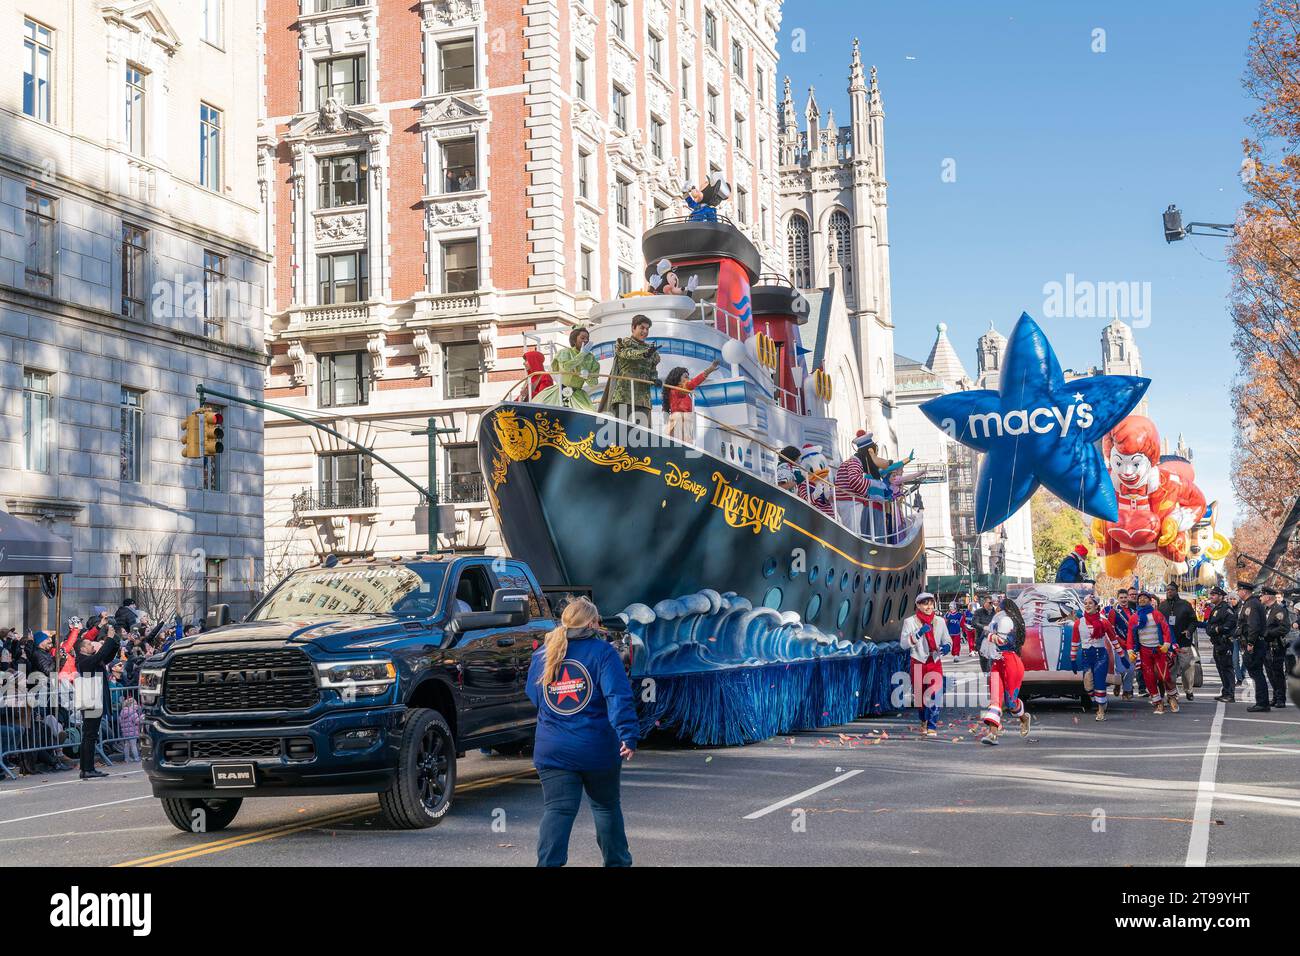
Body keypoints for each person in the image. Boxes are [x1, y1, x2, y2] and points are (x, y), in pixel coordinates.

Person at [526, 597, 637, 867]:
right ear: (591, 623)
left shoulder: (543, 653)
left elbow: (534, 695)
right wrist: (627, 734)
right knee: (605, 807)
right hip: (596, 747)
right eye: (597, 621)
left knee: (557, 811)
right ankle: (617, 863)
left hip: (552, 748)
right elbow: (618, 696)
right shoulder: (603, 652)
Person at [980, 598, 1033, 743]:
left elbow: (1002, 641)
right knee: (995, 699)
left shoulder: (1006, 621)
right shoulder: (998, 620)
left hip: (1011, 663)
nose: (996, 608)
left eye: (998, 606)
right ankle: (992, 734)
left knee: (1011, 702)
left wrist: (987, 634)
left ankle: (1024, 718)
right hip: (997, 662)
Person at [75, 626, 121, 779]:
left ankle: (87, 768)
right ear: (82, 649)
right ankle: (87, 769)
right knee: (89, 735)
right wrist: (108, 638)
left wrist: (114, 640)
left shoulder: (93, 659)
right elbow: (100, 654)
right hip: (90, 700)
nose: (92, 645)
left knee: (90, 735)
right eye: (89, 644)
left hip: (94, 699)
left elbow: (107, 656)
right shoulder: (83, 661)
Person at [899, 592, 947, 738]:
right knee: (920, 697)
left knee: (934, 694)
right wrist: (918, 634)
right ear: (918, 605)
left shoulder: (940, 621)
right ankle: (923, 720)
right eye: (925, 603)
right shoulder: (910, 622)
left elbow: (947, 640)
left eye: (931, 603)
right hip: (918, 661)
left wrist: (947, 647)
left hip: (935, 661)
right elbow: (903, 644)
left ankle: (932, 725)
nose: (929, 606)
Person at [1126, 590, 1177, 715]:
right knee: (1149, 678)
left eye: (1145, 598)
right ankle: (1158, 703)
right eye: (1140, 598)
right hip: (1144, 651)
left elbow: (1166, 630)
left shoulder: (1157, 614)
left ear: (1150, 600)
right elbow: (1130, 636)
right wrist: (1130, 650)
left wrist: (1166, 644)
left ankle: (1172, 697)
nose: (1142, 600)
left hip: (1159, 650)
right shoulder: (1134, 618)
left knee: (1163, 676)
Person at [604, 315, 660, 426]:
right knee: (623, 434)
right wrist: (644, 354)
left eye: (647, 329)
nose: (645, 331)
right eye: (642, 328)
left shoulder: (651, 350)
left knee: (641, 437)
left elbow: (652, 370)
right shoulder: (624, 344)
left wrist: (655, 379)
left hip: (644, 400)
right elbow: (628, 354)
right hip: (625, 397)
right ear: (633, 328)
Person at [1071, 595, 1120, 720]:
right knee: (1088, 686)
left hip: (1101, 657)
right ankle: (1101, 701)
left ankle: (1100, 711)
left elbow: (1113, 639)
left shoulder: (1104, 621)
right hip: (1086, 657)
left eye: (1090, 603)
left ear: (1096, 606)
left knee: (1099, 683)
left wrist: (1122, 655)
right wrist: (1072, 659)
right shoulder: (1078, 623)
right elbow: (1075, 642)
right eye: (1085, 603)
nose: (1087, 605)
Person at [539, 326, 600, 411]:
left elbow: (594, 383)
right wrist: (582, 354)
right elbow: (566, 367)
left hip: (578, 395)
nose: (586, 340)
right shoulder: (565, 352)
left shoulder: (591, 358)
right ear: (574, 340)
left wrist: (587, 376)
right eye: (582, 338)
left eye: (587, 338)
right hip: (559, 392)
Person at [661, 360, 720, 444]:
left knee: (681, 442)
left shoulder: (680, 392)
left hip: (684, 420)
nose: (688, 379)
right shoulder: (677, 390)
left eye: (688, 377)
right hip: (680, 419)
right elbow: (693, 383)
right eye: (685, 377)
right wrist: (709, 370)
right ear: (677, 379)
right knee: (683, 443)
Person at [1160, 583, 1199, 702]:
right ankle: (1172, 694)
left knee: (1187, 665)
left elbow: (1194, 621)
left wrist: (1189, 630)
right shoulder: (1162, 606)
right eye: (1167, 590)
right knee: (1171, 669)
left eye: (1171, 590)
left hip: (1183, 642)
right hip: (1169, 643)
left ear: (1177, 591)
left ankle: (1188, 690)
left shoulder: (1185, 605)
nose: (1169, 592)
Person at [833, 430, 874, 535]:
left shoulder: (849, 462)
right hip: (850, 503)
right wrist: (868, 489)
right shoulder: (855, 463)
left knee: (853, 532)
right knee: (853, 534)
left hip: (846, 501)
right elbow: (854, 481)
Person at [1236, 582, 1270, 712]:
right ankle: (1262, 702)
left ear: (1244, 591)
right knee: (1256, 672)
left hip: (1255, 644)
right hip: (1255, 643)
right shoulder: (1252, 603)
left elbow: (1253, 626)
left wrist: (1250, 643)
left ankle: (1262, 703)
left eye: (1239, 590)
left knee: (1256, 673)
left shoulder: (1252, 605)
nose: (1238, 593)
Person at [1205, 585, 1237, 702]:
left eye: (1214, 595)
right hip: (1217, 643)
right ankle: (1226, 691)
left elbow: (1231, 624)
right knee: (1221, 668)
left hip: (1224, 642)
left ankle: (1230, 694)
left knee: (1227, 668)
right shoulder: (1217, 608)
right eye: (1211, 595)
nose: (1211, 597)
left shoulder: (1225, 609)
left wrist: (1217, 629)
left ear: (1220, 596)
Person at [1260, 586, 1290, 709]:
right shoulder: (1267, 610)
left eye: (1262, 595)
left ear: (1268, 597)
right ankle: (1275, 696)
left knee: (1277, 673)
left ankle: (1281, 698)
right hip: (1267, 646)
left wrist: (1269, 633)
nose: (1260, 598)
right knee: (1270, 673)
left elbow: (1284, 627)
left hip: (1276, 646)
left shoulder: (1278, 610)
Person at [1108, 588, 1138, 700]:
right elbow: (1111, 630)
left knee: (1130, 670)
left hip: (1131, 646)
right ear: (1118, 599)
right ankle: (1118, 683)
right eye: (1121, 598)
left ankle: (1127, 691)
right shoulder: (1113, 612)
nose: (1124, 600)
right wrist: (1120, 642)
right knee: (1121, 669)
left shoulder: (1134, 612)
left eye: (1125, 597)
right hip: (1118, 645)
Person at [972, 595, 996, 674]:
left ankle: (992, 675)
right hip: (981, 639)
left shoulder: (996, 612)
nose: (991, 604)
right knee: (984, 659)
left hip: (993, 639)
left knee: (993, 660)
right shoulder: (978, 612)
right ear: (985, 603)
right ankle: (986, 675)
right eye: (990, 602)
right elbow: (974, 623)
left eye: (992, 603)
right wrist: (984, 627)